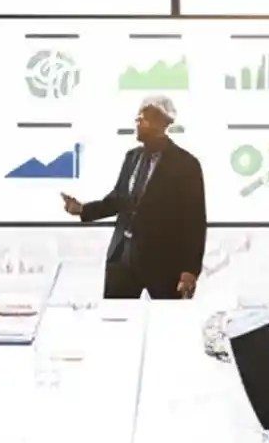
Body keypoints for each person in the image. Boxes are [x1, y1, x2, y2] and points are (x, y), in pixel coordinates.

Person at [61, 95, 207, 300]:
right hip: (122, 258)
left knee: (165, 324)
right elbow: (119, 199)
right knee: (115, 324)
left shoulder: (186, 164)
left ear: (160, 124)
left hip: (163, 263)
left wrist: (190, 270)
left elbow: (195, 221)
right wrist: (83, 210)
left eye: (143, 119)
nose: (137, 124)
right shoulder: (132, 157)